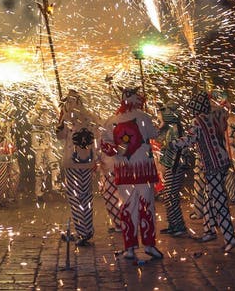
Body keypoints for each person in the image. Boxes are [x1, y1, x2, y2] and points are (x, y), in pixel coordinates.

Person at [101, 87, 163, 261]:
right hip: (143, 169)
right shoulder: (144, 117)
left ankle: (130, 248)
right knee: (146, 207)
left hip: (124, 171)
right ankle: (149, 245)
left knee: (127, 208)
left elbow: (104, 145)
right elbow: (155, 134)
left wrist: (117, 149)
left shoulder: (111, 121)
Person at [170, 91, 235, 252]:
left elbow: (190, 139)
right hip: (222, 162)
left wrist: (173, 144)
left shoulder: (198, 121)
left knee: (219, 201)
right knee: (209, 197)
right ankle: (209, 231)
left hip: (213, 165)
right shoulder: (214, 117)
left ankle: (230, 238)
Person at [57, 89, 98, 246]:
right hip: (87, 162)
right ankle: (87, 230)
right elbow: (97, 135)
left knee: (75, 197)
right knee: (86, 195)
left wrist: (61, 118)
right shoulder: (90, 116)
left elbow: (60, 136)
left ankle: (82, 232)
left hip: (72, 162)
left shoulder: (68, 117)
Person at [158, 102, 189, 237]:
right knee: (168, 195)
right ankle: (173, 225)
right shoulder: (171, 128)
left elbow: (179, 147)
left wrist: (167, 146)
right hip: (172, 166)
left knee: (171, 195)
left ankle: (179, 226)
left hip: (176, 166)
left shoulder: (177, 128)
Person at [27, 93, 60, 203]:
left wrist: (54, 108)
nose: (42, 100)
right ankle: (39, 193)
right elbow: (30, 120)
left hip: (48, 142)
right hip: (38, 145)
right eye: (40, 98)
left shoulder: (48, 112)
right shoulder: (33, 111)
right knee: (40, 170)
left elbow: (55, 121)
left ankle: (57, 186)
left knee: (55, 163)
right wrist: (38, 111)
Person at [0, 100, 20, 207]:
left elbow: (13, 136)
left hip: (12, 151)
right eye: (10, 112)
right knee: (1, 176)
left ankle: (11, 198)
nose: (12, 114)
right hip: (1, 152)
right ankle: (0, 200)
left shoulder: (12, 122)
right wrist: (7, 123)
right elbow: (0, 134)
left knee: (15, 173)